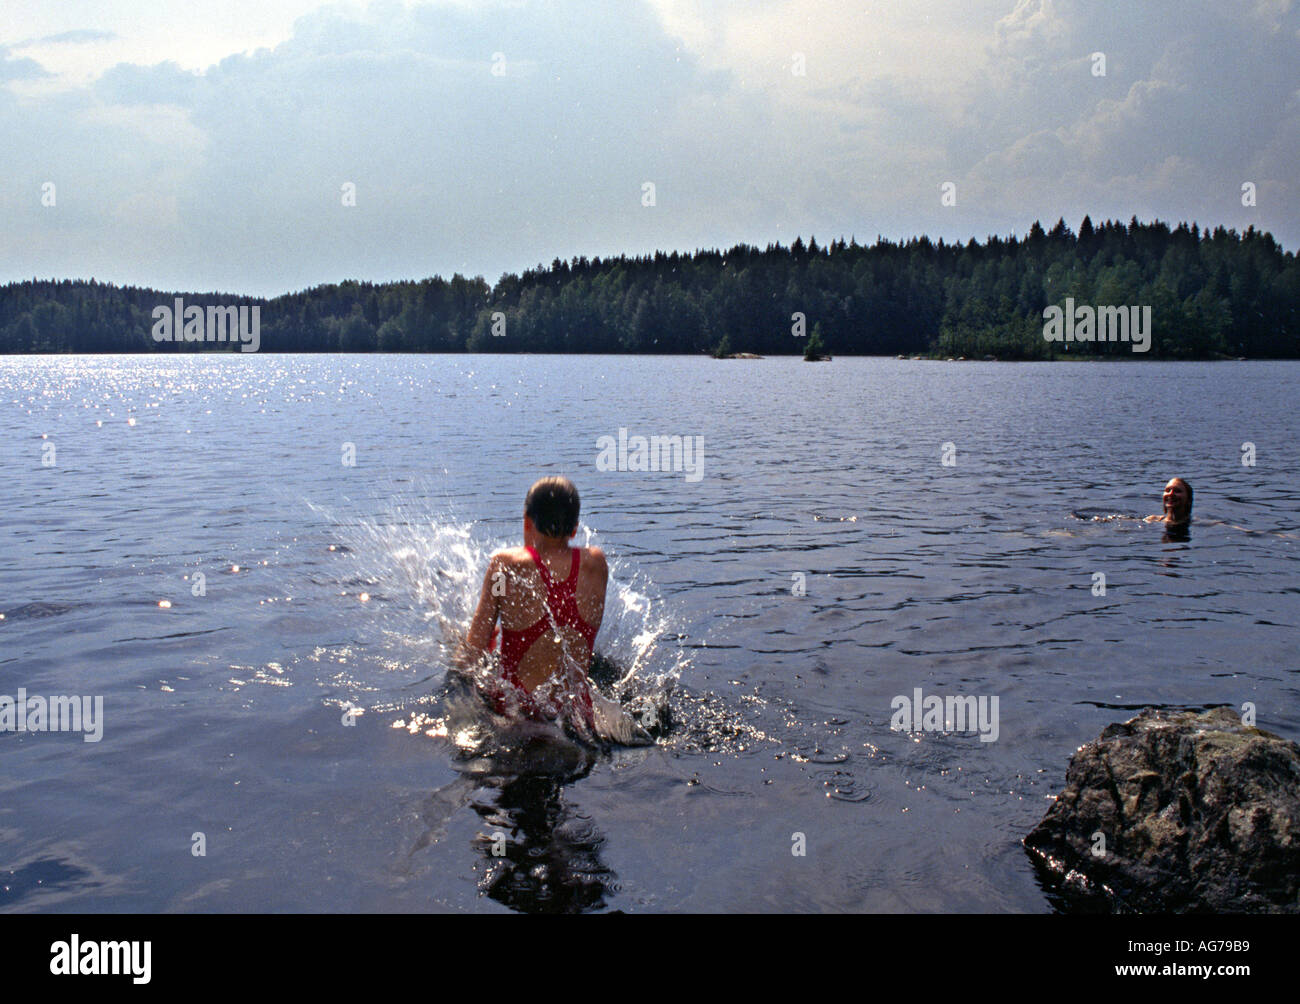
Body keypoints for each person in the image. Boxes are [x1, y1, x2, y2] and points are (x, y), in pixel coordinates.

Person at [454, 477, 608, 727]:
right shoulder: (596, 564)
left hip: (515, 718)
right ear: (574, 529)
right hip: (577, 719)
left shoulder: (504, 566)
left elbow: (471, 654)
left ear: (527, 521)